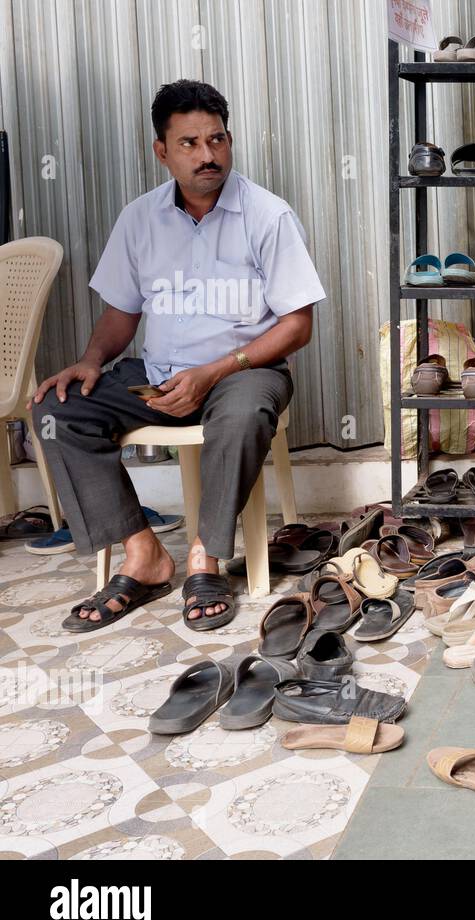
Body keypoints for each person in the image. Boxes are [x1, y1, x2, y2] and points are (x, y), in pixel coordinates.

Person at [31, 79, 324, 633]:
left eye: (216, 140)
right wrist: (92, 359)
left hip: (244, 371)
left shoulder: (267, 215)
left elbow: (298, 325)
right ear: (161, 151)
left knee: (242, 414)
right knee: (57, 409)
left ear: (230, 141)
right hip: (156, 375)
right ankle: (144, 554)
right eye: (189, 143)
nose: (207, 155)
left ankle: (203, 558)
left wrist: (215, 371)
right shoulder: (139, 218)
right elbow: (122, 314)